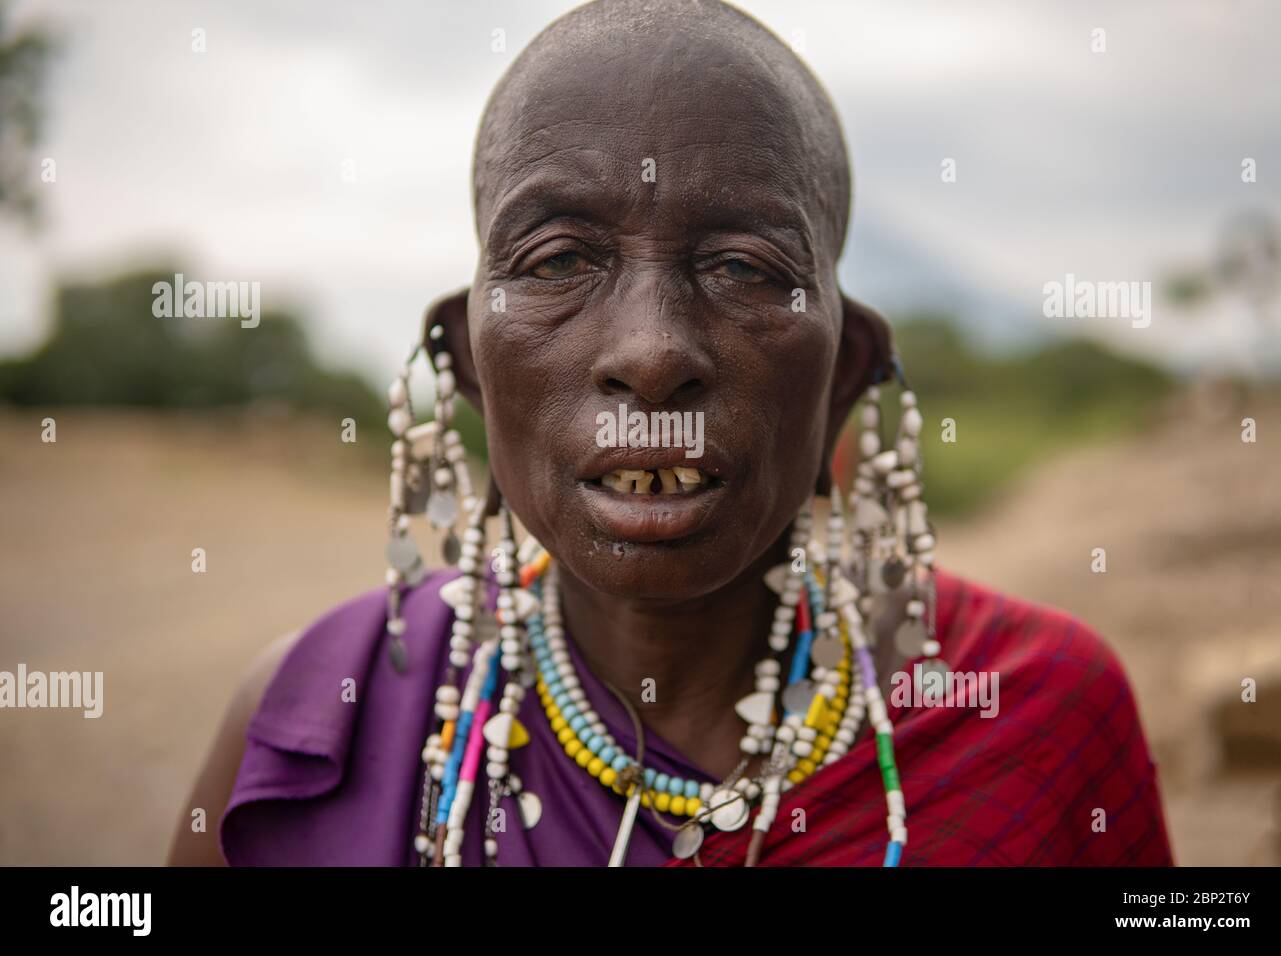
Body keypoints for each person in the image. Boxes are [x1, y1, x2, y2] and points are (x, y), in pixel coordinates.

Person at [169, 0, 1173, 867]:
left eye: (742, 266)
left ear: (844, 376)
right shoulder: (317, 719)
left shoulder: (1037, 713)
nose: (652, 353)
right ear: (471, 369)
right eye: (559, 258)